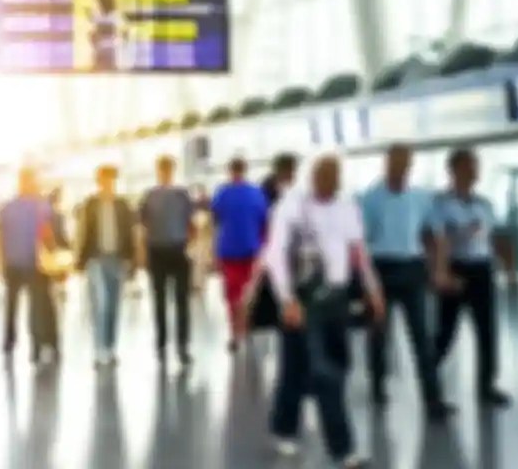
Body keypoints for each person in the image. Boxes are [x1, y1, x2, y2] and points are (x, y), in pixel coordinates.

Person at [261, 155, 385, 469]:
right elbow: (275, 255)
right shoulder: (292, 207)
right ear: (311, 174)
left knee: (300, 368)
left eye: (335, 173)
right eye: (324, 173)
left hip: (337, 298)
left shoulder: (347, 208)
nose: (331, 179)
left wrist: (373, 290)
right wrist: (287, 299)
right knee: (325, 372)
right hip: (304, 299)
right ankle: (343, 450)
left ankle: (283, 427)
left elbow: (358, 252)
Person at [360, 144, 453, 421]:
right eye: (395, 163)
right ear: (386, 164)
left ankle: (432, 399)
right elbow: (361, 243)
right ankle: (378, 385)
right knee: (378, 333)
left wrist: (439, 270)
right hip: (381, 268)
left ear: (410, 166)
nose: (399, 169)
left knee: (421, 337)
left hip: (412, 268)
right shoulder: (370, 199)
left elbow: (434, 235)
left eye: (404, 164)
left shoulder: (421, 197)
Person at [431, 147, 516, 407]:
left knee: (487, 331)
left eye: (475, 166)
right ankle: (429, 381)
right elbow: (437, 241)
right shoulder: (441, 204)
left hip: (481, 271)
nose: (473, 171)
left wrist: (510, 269)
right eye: (468, 166)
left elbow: (498, 238)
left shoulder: (485, 205)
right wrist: (441, 271)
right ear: (454, 170)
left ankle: (487, 386)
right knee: (446, 332)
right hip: (455, 269)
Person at [139, 155, 197, 366]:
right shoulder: (174, 195)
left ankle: (176, 345)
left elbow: (191, 225)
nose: (165, 173)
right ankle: (167, 345)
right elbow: (143, 225)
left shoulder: (175, 194)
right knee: (164, 301)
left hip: (170, 250)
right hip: (163, 249)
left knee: (176, 301)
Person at [0, 168, 59, 364]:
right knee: (36, 306)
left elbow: (1, 236)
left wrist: (1, 259)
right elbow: (50, 235)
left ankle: (9, 342)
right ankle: (37, 347)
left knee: (12, 304)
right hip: (34, 263)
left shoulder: (8, 208)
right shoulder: (41, 207)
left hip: (14, 262)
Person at [76, 165, 135, 368]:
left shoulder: (122, 205)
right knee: (99, 304)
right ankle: (99, 349)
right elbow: (83, 231)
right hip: (96, 258)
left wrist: (131, 260)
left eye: (111, 180)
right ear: (98, 181)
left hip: (117, 259)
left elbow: (129, 233)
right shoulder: (90, 204)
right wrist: (80, 260)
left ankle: (110, 347)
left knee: (113, 305)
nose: (107, 184)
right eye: (104, 180)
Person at [210, 158, 268, 352]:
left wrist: (214, 253)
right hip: (251, 250)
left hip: (228, 251)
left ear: (230, 171)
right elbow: (264, 222)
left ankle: (235, 332)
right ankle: (246, 328)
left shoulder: (222, 193)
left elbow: (215, 221)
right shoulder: (256, 193)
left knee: (232, 295)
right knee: (248, 293)